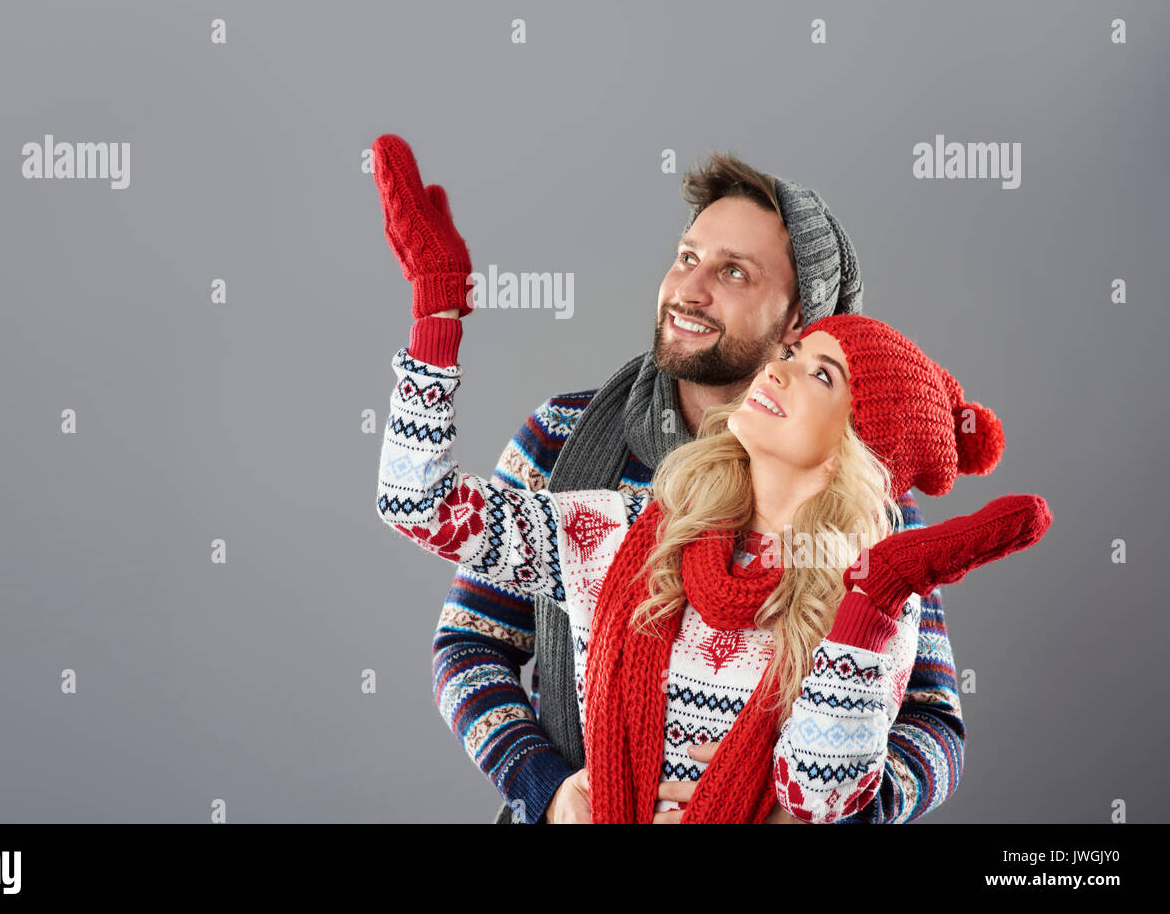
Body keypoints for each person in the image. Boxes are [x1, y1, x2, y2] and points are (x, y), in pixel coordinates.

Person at [371, 134, 1051, 824]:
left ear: (798, 322)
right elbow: (463, 628)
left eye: (734, 273)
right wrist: (550, 791)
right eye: (687, 258)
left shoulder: (874, 536)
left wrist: (791, 815)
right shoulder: (596, 495)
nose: (688, 291)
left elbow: (927, 727)